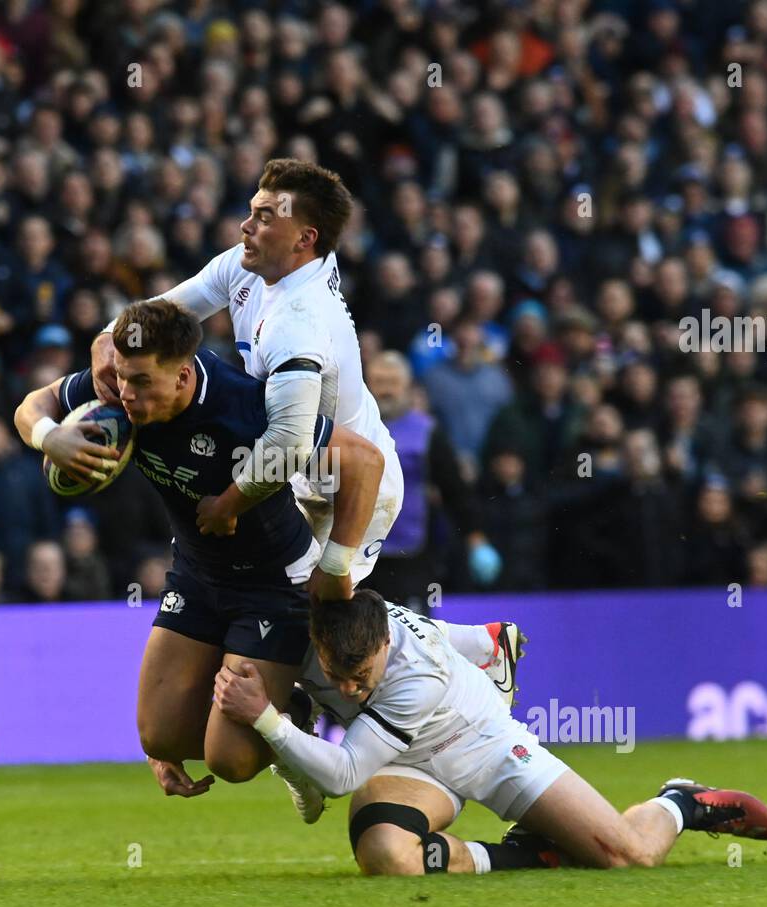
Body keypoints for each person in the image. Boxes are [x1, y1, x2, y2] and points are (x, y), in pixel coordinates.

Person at [85, 157, 521, 687]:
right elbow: (160, 313)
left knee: (320, 612)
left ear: (304, 238)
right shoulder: (246, 270)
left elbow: (290, 441)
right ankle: (475, 646)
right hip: (298, 471)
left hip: (353, 481)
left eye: (266, 217)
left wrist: (229, 503)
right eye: (252, 211)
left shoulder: (301, 321)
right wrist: (107, 340)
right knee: (303, 618)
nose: (247, 226)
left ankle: (468, 660)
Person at [13, 298, 389, 820]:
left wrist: (335, 564)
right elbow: (31, 404)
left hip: (273, 586)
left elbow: (365, 461)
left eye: (141, 382)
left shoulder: (246, 408)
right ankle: (290, 712)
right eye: (121, 377)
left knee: (229, 760)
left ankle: (294, 725)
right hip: (195, 574)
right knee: (158, 736)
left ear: (185, 376)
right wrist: (49, 436)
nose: (125, 394)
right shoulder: (117, 389)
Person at [214, 590, 767, 875]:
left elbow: (342, 775)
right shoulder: (348, 628)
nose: (352, 690)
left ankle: (680, 803)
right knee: (388, 857)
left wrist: (267, 719)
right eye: (339, 677)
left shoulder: (417, 676)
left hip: (483, 746)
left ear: (385, 645)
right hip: (403, 765)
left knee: (626, 858)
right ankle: (529, 856)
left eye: (362, 678)